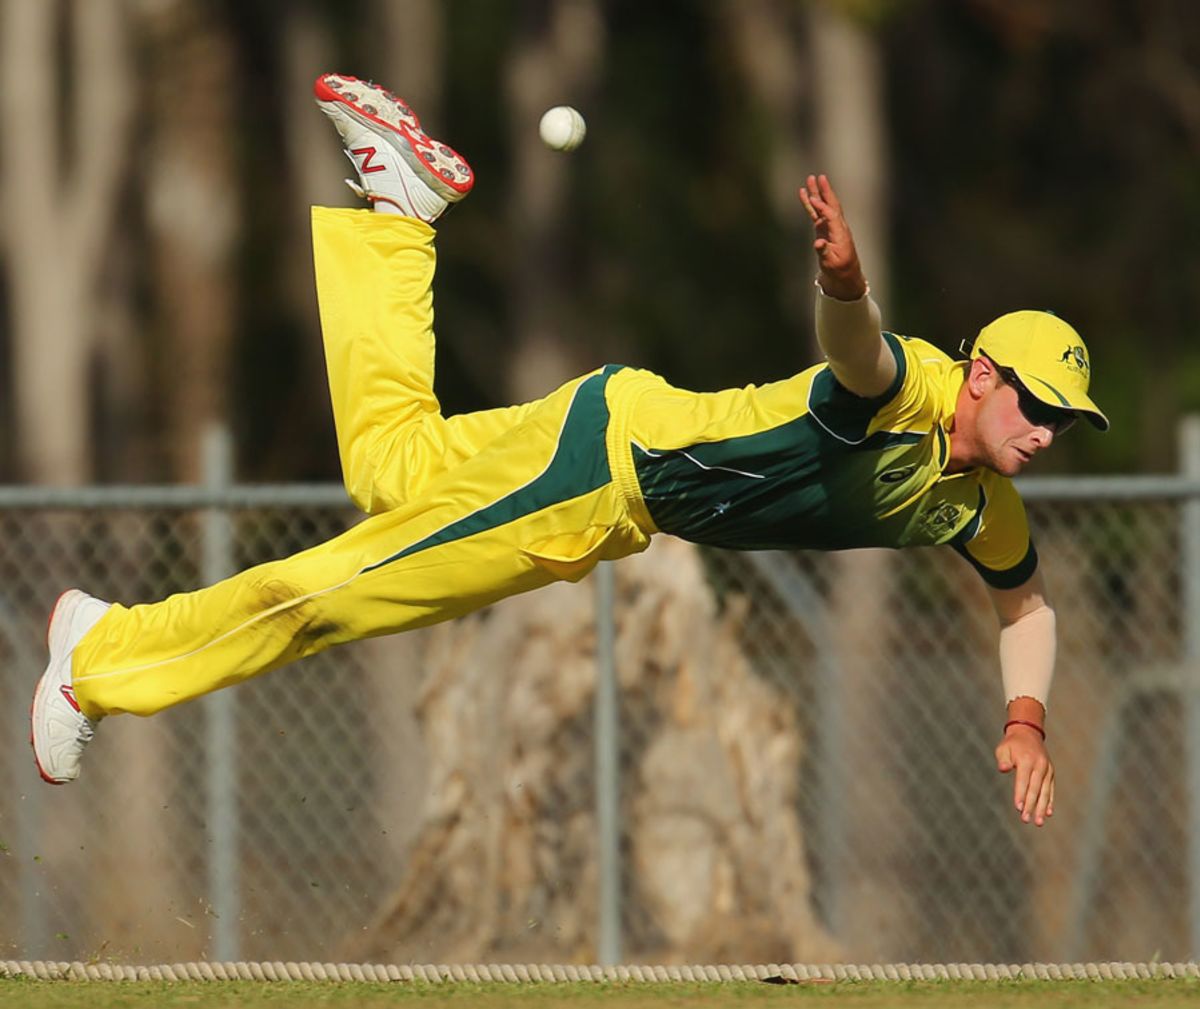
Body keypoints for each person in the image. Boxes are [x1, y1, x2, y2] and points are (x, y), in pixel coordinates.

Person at [31, 73, 1107, 830]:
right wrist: (841, 280)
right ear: (981, 375)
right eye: (1038, 404)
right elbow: (859, 358)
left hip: (608, 428)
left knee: (391, 471)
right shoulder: (914, 382)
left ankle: (399, 212)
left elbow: (1028, 605)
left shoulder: (983, 509)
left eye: (1066, 421)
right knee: (334, 596)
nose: (1047, 431)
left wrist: (1026, 720)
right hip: (594, 482)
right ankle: (101, 663)